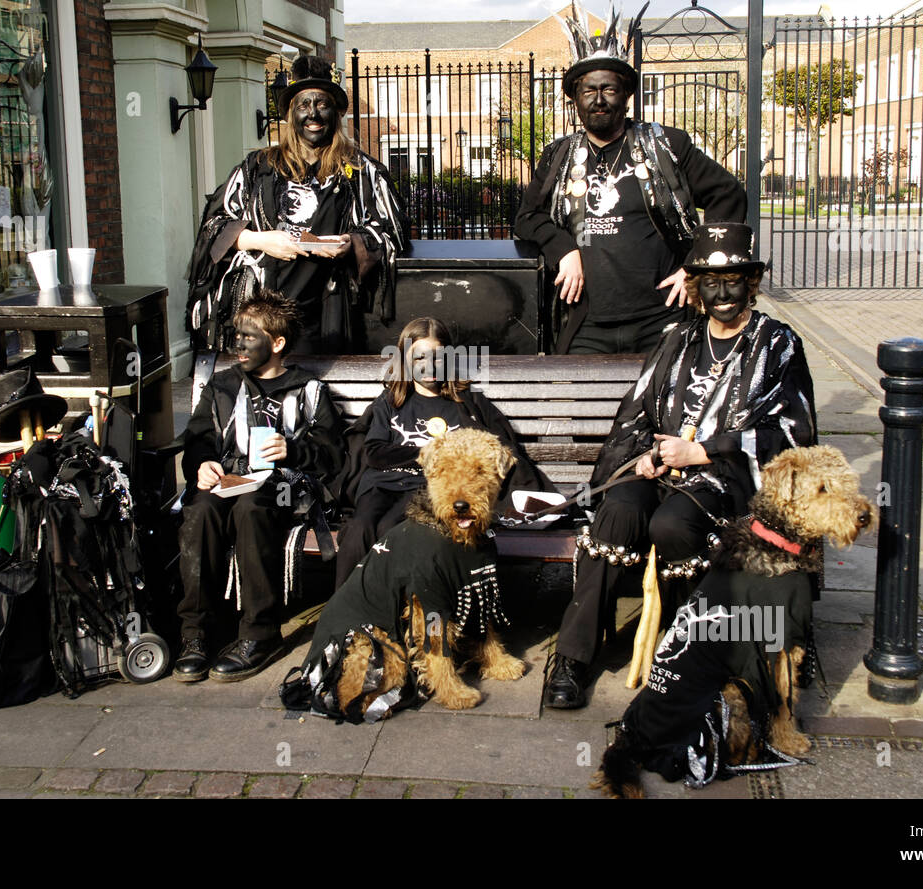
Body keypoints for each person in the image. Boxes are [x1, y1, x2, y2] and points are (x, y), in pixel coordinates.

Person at [542, 222, 817, 709]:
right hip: (661, 467)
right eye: (710, 283)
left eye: (733, 281)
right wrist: (644, 455)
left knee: (672, 523)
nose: (723, 294)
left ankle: (690, 649)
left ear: (751, 284)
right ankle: (573, 657)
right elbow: (637, 412)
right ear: (695, 288)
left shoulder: (778, 344)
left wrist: (709, 450)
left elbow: (794, 434)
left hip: (726, 479)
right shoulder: (679, 337)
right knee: (618, 513)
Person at [514, 0, 746, 354]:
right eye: (589, 91)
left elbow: (728, 195)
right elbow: (528, 218)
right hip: (587, 323)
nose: (599, 99)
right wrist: (564, 249)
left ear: (626, 97)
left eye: (609, 89)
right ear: (575, 100)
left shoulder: (666, 145)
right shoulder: (558, 157)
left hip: (663, 317)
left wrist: (697, 267)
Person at [185, 54, 410, 356]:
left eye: (322, 104)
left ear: (335, 113)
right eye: (304, 105)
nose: (313, 114)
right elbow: (214, 227)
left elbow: (392, 230)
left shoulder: (360, 172)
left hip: (326, 311)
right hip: (262, 310)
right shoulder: (258, 168)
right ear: (291, 114)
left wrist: (351, 243)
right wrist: (263, 240)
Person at [174, 290, 344, 683]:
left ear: (277, 343)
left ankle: (260, 633)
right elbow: (198, 439)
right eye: (237, 336)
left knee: (251, 506)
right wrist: (202, 464)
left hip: (284, 488)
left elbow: (333, 455)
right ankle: (196, 632)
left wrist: (294, 449)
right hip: (228, 481)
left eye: (249, 337)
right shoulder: (222, 386)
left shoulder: (307, 390)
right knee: (200, 510)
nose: (239, 344)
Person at [333, 316, 555, 589]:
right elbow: (374, 452)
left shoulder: (467, 404)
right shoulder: (391, 402)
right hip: (382, 484)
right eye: (419, 358)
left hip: (428, 488)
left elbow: (500, 446)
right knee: (358, 529)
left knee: (391, 528)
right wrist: (428, 452)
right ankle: (344, 605)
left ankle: (393, 604)